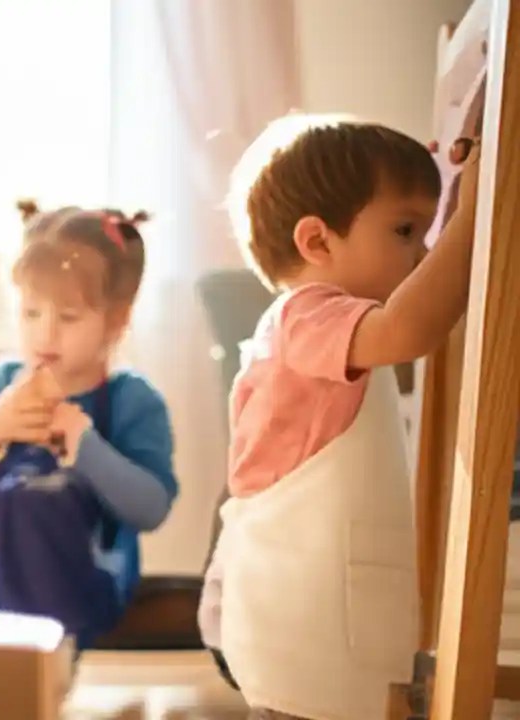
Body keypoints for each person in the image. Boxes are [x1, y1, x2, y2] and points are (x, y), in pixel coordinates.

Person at [199, 113, 480, 719]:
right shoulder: (309, 316)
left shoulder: (319, 324)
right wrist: (472, 218)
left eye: (429, 232)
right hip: (299, 622)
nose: (423, 252)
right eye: (406, 230)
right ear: (318, 243)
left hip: (312, 620)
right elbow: (411, 327)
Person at [0, 200, 178, 648]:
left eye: (68, 318)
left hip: (89, 585)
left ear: (116, 320)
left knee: (39, 500)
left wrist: (85, 444)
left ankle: (44, 656)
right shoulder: (2, 382)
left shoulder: (132, 398)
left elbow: (151, 508)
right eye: (31, 313)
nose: (45, 335)